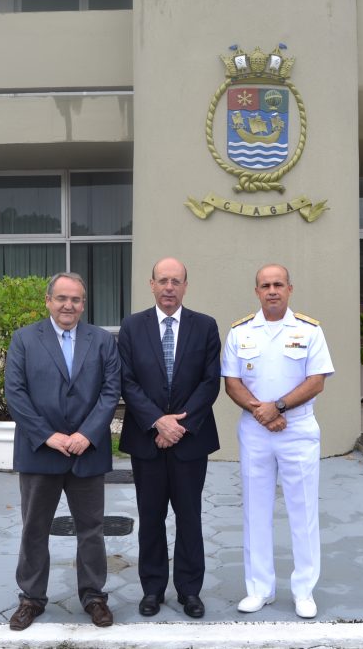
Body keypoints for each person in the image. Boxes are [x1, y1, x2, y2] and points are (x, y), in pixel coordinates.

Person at [3, 272, 121, 631]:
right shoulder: (24, 339)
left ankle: (94, 597)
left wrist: (87, 434)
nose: (69, 305)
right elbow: (15, 393)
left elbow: (110, 390)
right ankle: (31, 599)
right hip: (41, 452)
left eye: (76, 300)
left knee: (91, 529)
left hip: (87, 451)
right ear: (48, 300)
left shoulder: (101, 340)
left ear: (83, 303)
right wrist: (48, 436)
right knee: (34, 529)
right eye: (62, 298)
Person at [221, 263, 335, 619]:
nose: (272, 290)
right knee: (255, 510)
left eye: (278, 284)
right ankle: (259, 589)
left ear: (290, 288)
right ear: (256, 291)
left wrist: (279, 407)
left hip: (297, 429)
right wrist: (263, 412)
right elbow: (232, 382)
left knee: (303, 512)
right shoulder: (240, 332)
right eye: (265, 285)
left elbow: (317, 380)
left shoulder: (309, 330)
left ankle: (304, 591)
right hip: (256, 431)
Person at [118, 258, 221, 619]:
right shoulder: (132, 327)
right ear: (151, 284)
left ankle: (190, 591)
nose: (169, 287)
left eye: (176, 281)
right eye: (163, 280)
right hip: (146, 439)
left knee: (190, 517)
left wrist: (178, 426)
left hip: (190, 440)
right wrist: (157, 422)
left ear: (185, 286)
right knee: (150, 517)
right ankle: (152, 590)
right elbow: (126, 381)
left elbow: (210, 382)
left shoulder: (205, 326)